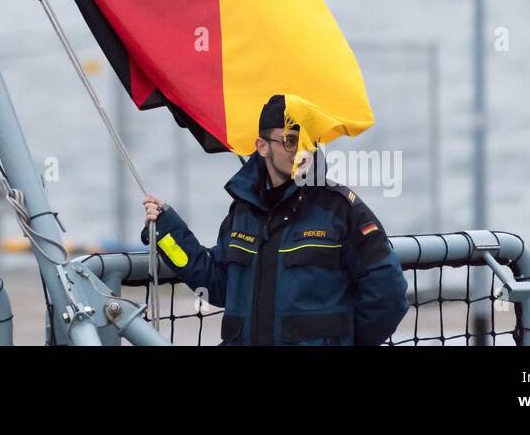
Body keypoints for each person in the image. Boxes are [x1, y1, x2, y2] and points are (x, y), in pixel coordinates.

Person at [142, 94, 409, 345]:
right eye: (290, 141)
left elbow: (389, 295)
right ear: (262, 147)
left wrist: (344, 341)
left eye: (306, 141)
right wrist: (166, 233)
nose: (301, 150)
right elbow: (218, 286)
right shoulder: (243, 211)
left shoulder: (341, 209)